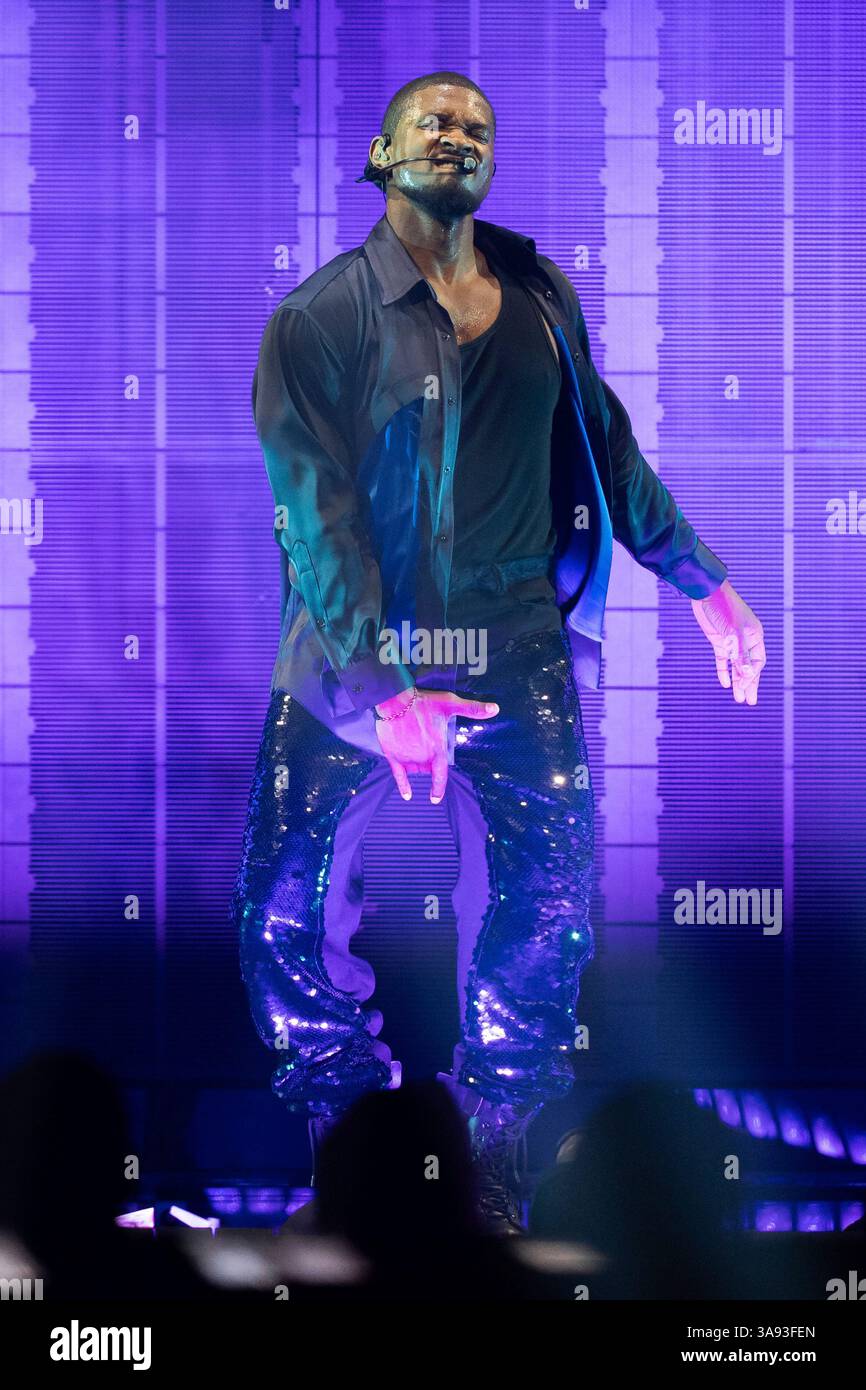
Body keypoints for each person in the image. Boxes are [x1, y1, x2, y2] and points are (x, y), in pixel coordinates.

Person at [231, 71, 766, 1234]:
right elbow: (311, 514)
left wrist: (705, 585)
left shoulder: (536, 294)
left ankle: (489, 1171)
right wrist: (381, 688)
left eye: (476, 126)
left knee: (549, 900)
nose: (456, 134)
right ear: (379, 153)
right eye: (432, 120)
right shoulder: (315, 319)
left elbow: (607, 451)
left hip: (518, 653)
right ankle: (351, 1157)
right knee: (282, 909)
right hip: (343, 667)